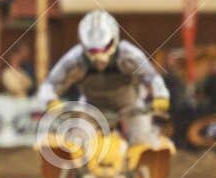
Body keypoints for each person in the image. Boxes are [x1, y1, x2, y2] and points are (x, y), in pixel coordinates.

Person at [34, 10, 170, 147]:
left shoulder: (129, 55)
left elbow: (151, 77)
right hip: (91, 107)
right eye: (93, 51)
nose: (99, 55)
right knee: (76, 144)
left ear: (114, 39)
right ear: (83, 44)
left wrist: (161, 96)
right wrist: (50, 100)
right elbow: (50, 84)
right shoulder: (74, 60)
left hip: (131, 106)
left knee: (143, 142)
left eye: (105, 47)